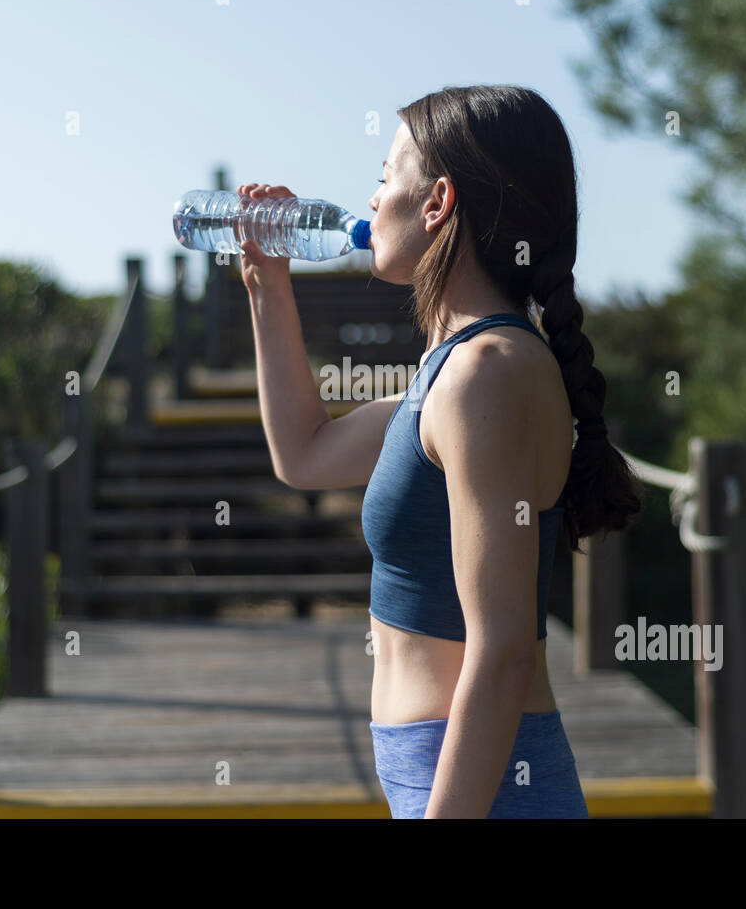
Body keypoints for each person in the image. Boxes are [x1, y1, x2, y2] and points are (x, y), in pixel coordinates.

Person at [236, 84, 642, 818]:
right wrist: (269, 286)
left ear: (437, 203)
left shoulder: (490, 373)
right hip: (442, 777)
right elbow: (305, 452)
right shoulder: (452, 371)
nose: (370, 195)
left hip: (487, 789)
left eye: (386, 174)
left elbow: (505, 647)